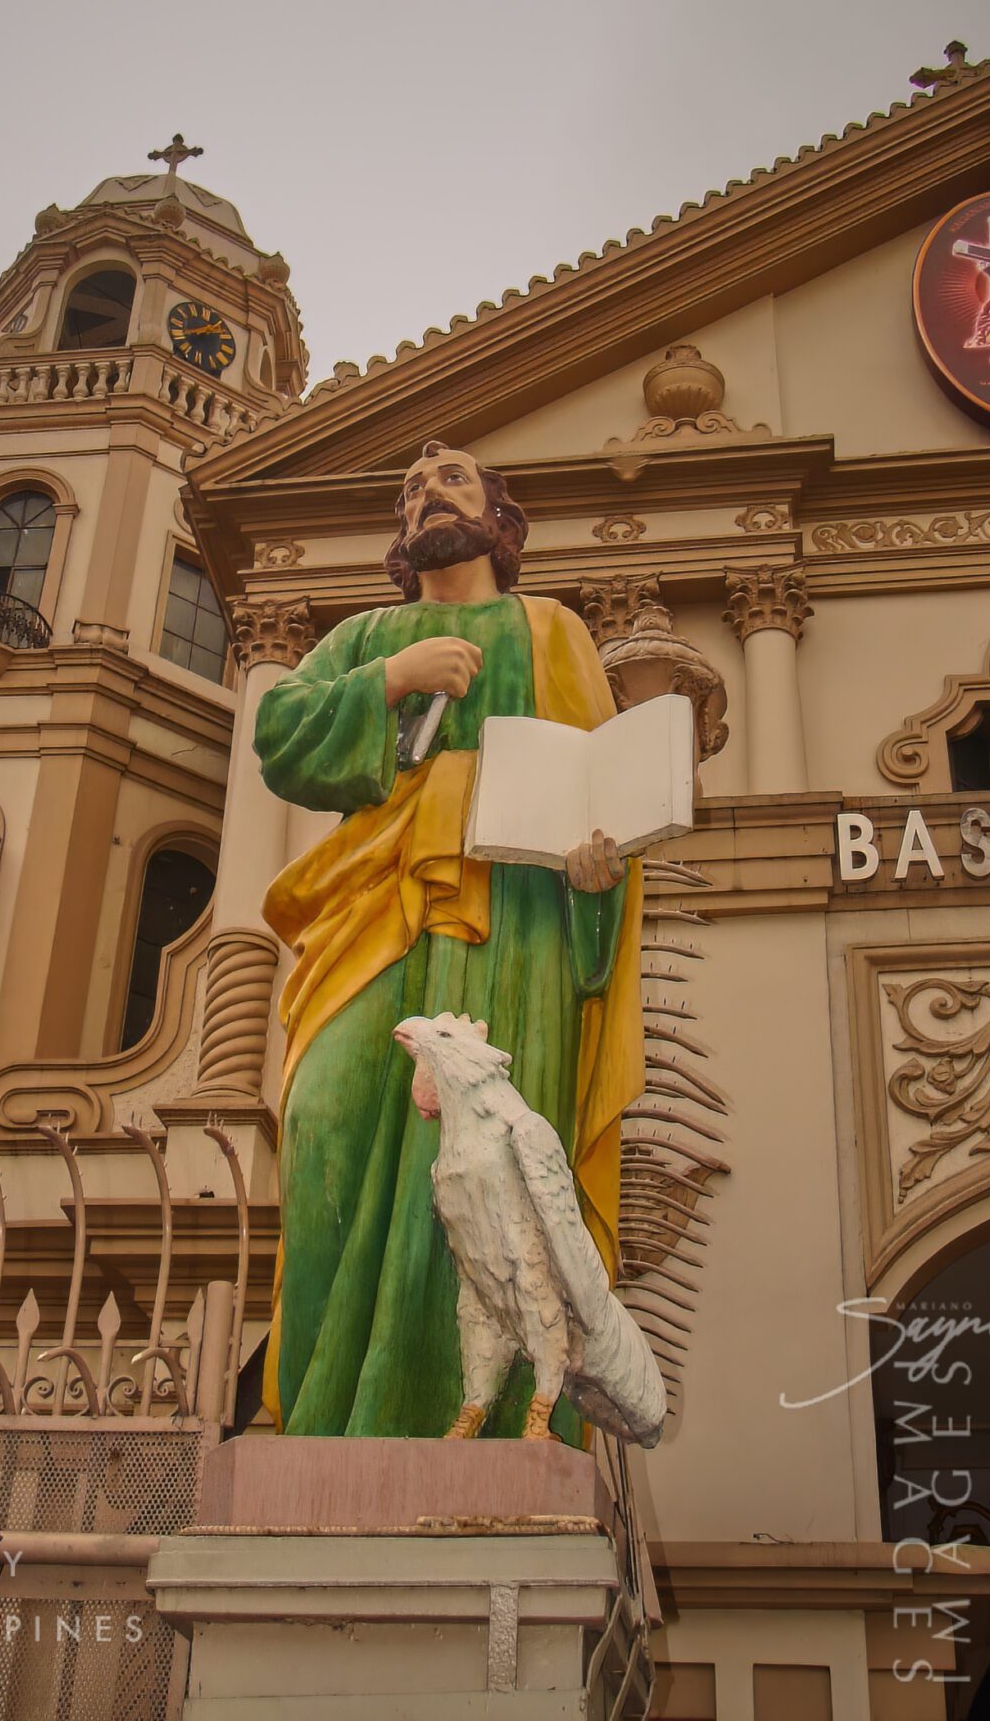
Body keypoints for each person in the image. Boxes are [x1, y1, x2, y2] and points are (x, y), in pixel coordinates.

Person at [255, 441, 644, 1441]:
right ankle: (318, 1424)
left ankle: (501, 1418)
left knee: (499, 1177)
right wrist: (394, 673)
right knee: (324, 1126)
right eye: (415, 488)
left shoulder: (551, 629)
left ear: (498, 517)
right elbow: (282, 733)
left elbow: (605, 786)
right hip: (376, 907)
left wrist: (597, 875)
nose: (431, 493)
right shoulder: (366, 634)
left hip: (516, 925)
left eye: (455, 481)